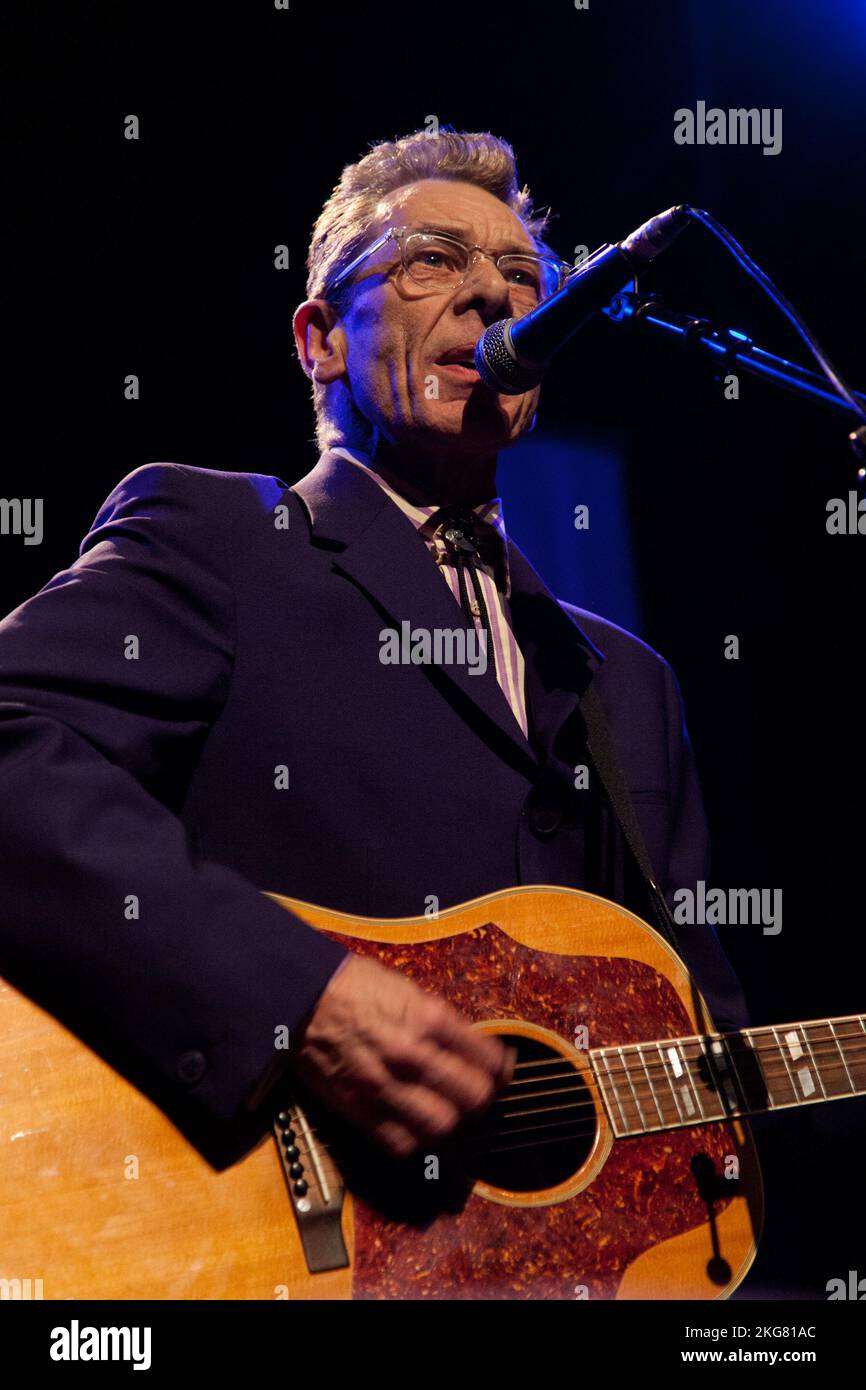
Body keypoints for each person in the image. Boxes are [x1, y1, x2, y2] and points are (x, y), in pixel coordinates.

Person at [0, 129, 748, 1170]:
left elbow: (696, 1042)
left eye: (522, 276)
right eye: (432, 260)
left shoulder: (628, 683)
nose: (492, 297)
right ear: (320, 341)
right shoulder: (215, 539)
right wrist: (293, 998)